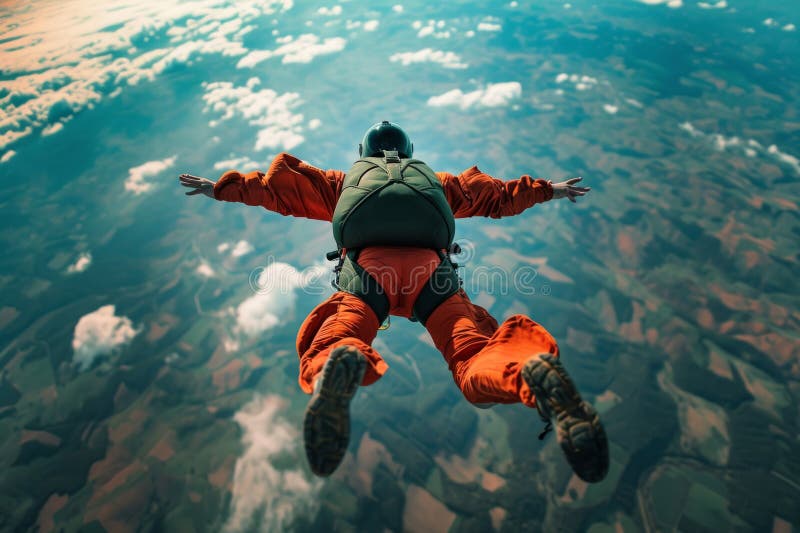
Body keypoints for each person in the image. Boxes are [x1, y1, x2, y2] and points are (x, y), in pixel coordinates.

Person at [180, 121, 608, 482]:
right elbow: (497, 195)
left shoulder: (344, 182)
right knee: (470, 353)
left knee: (339, 331)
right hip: (431, 273)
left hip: (368, 271)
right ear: (410, 152)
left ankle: (338, 359)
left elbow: (277, 190)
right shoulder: (437, 182)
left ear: (362, 152)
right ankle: (523, 370)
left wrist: (220, 189)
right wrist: (550, 190)